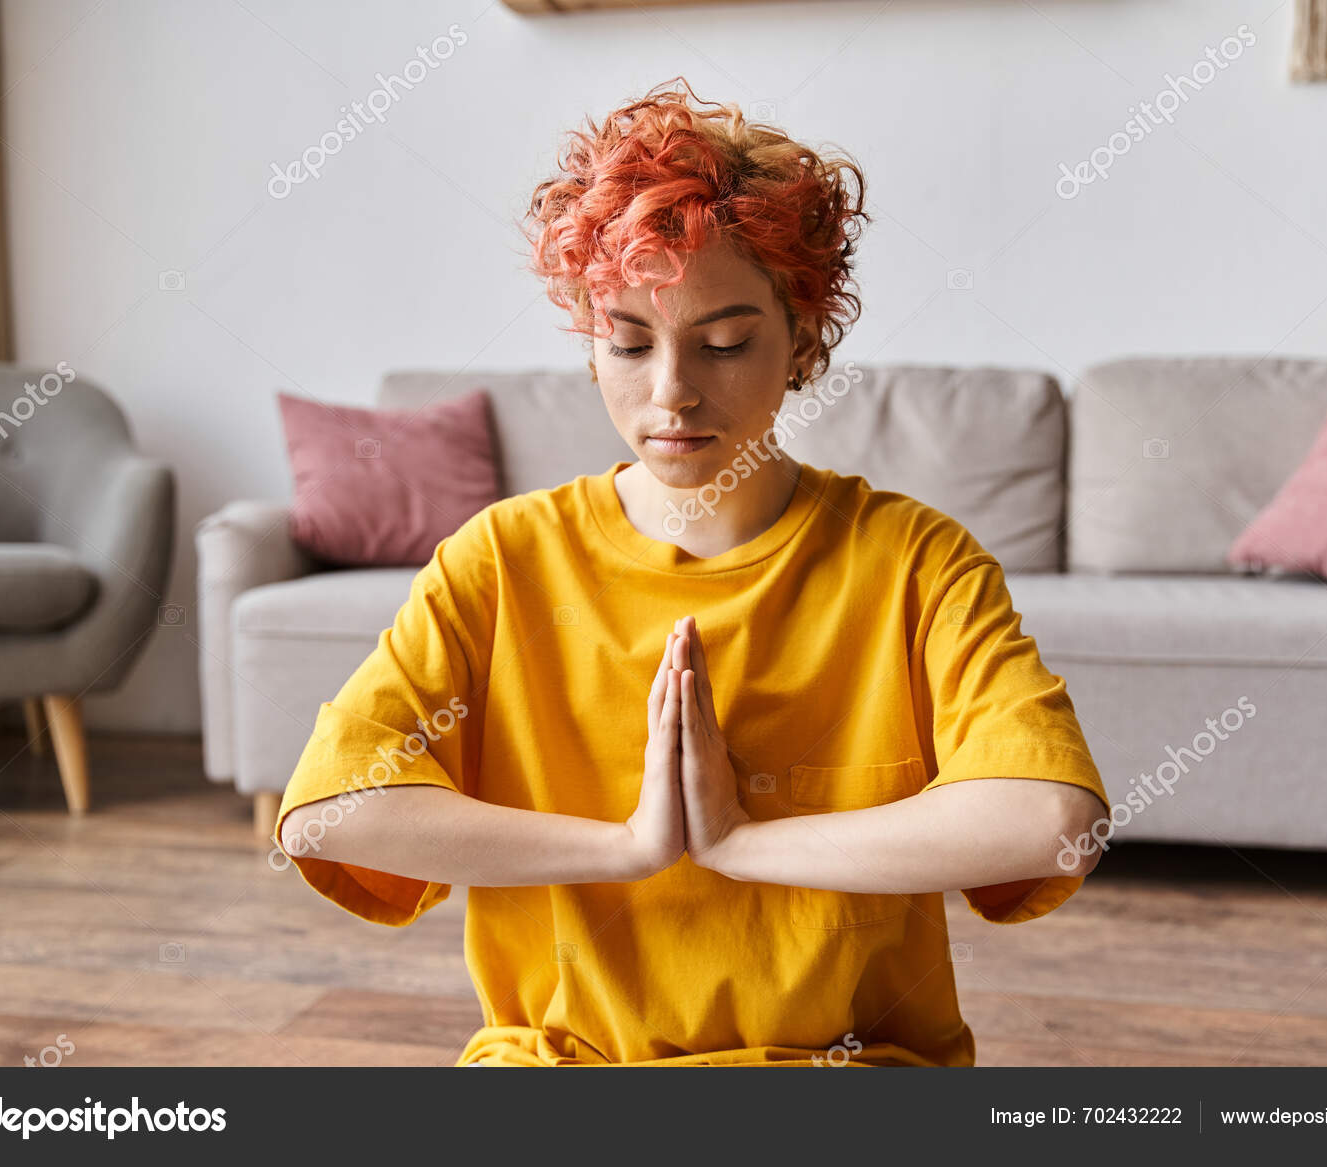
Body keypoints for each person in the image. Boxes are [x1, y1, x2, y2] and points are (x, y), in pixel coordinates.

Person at [274, 77, 1110, 1067]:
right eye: (628, 342)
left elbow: (1051, 816)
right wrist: (630, 845)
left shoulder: (915, 563)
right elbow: (328, 815)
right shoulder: (500, 562)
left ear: (801, 341)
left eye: (724, 342)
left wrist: (741, 843)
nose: (671, 393)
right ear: (591, 348)